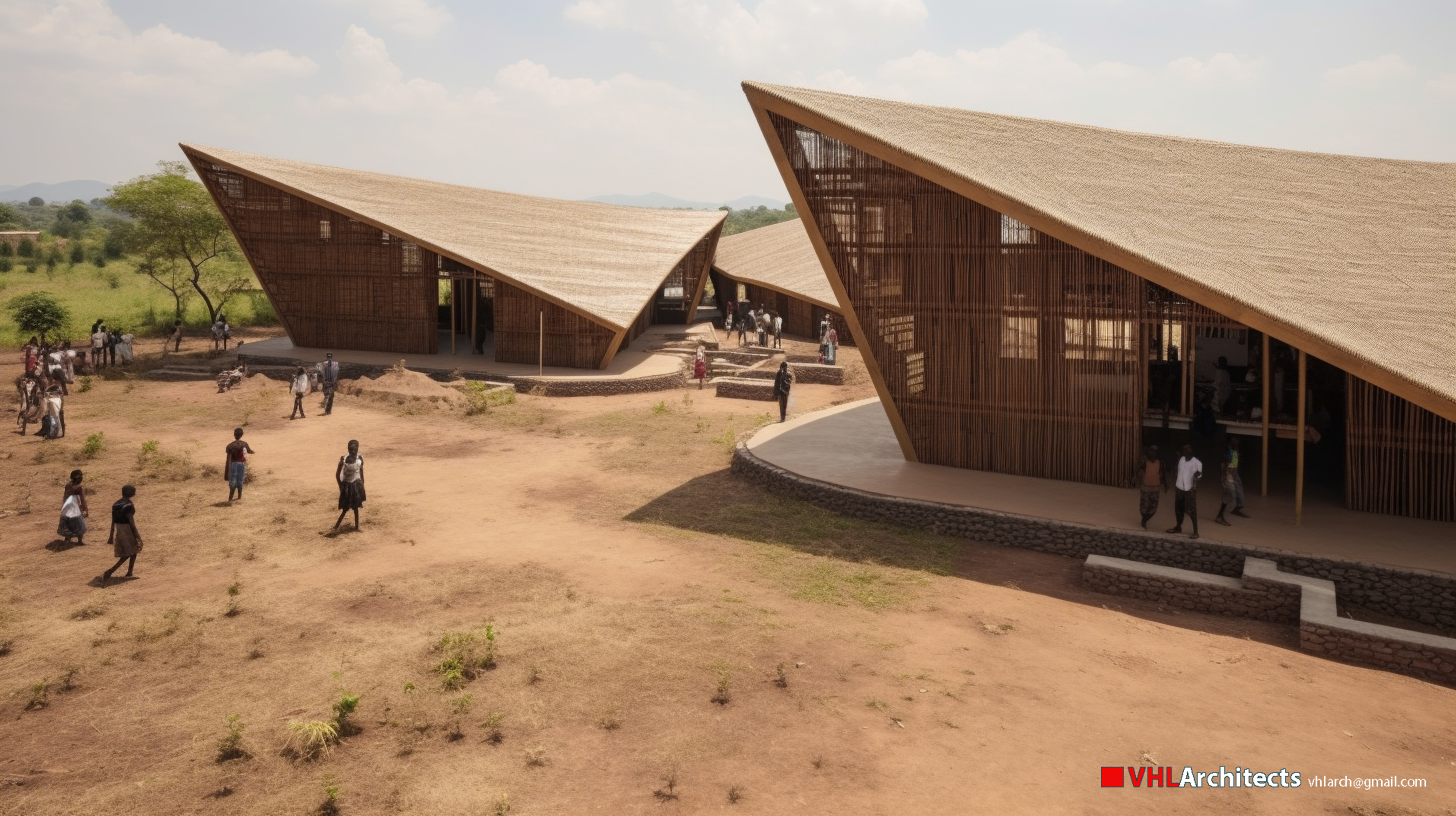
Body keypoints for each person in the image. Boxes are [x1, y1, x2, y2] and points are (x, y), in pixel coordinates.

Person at [102, 485, 142, 583]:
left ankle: (129, 572)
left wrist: (111, 535)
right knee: (129, 552)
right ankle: (110, 571)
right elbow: (131, 522)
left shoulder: (116, 504)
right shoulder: (129, 505)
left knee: (134, 550)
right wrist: (138, 536)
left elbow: (113, 521)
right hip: (127, 529)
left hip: (119, 528)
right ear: (130, 493)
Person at [1166, 444, 1202, 539]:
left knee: (1191, 510)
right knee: (1178, 509)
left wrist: (1197, 475)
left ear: (1192, 450)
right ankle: (1178, 527)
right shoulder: (1181, 459)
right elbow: (1177, 471)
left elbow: (1199, 475)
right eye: (1185, 449)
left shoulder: (1197, 463)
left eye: (1188, 449)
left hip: (1189, 489)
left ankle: (1196, 531)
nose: (1186, 451)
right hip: (1179, 488)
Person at [1215, 437, 1249, 526]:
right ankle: (1219, 516)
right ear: (1231, 444)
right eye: (1235, 444)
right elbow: (1224, 465)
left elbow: (1236, 462)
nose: (1236, 445)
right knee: (1229, 493)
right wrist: (1224, 478)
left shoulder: (1235, 450)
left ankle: (1237, 509)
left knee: (1239, 491)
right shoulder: (1228, 452)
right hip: (1228, 473)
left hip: (1234, 472)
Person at [334, 440, 365, 531]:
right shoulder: (343, 460)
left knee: (356, 507)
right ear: (348, 449)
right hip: (347, 486)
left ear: (357, 449)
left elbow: (361, 471)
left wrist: (362, 484)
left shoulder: (359, 459)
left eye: (354, 449)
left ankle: (356, 527)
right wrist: (341, 486)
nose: (352, 451)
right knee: (345, 508)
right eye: (350, 449)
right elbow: (337, 475)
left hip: (356, 485)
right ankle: (336, 527)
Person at [1137, 446, 1167, 530]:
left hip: (1155, 488)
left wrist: (1165, 484)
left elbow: (1163, 473)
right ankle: (1144, 520)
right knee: (1143, 508)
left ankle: (1145, 519)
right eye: (1151, 451)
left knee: (1153, 509)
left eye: (1155, 452)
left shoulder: (1160, 462)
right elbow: (1138, 469)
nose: (1153, 453)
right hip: (1145, 487)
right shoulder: (1144, 460)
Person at [58, 469, 89, 545]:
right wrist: (85, 509)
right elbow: (82, 499)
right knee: (78, 524)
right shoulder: (79, 487)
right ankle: (79, 541)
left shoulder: (68, 486)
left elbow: (65, 497)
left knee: (67, 522)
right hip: (75, 507)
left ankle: (67, 539)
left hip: (68, 507)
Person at [224, 428, 255, 502]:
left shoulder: (230, 446)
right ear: (242, 435)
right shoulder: (244, 444)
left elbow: (228, 455)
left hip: (233, 464)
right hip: (241, 464)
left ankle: (230, 498)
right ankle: (239, 496)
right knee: (240, 480)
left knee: (233, 480)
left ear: (234, 435)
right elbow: (249, 451)